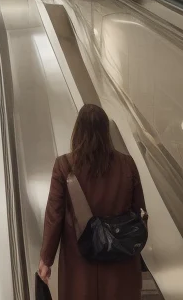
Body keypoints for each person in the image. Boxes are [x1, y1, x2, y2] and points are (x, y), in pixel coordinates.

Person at [38, 104, 146, 299]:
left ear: (77, 131)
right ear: (106, 131)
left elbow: (54, 216)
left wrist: (46, 260)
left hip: (79, 265)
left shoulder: (64, 166)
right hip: (120, 265)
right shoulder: (127, 165)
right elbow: (139, 212)